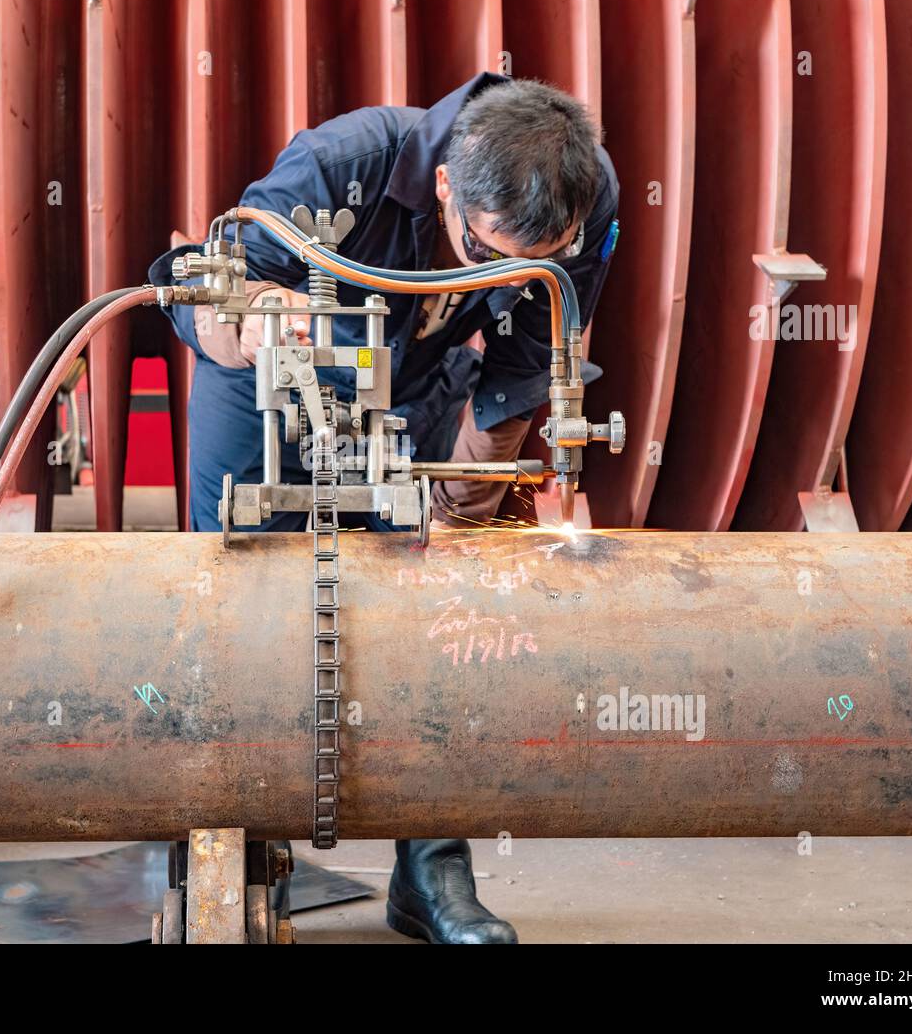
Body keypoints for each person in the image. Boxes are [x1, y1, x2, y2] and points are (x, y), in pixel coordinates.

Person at [151, 73, 619, 944]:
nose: (513, 272)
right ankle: (238, 843)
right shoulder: (340, 165)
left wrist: (469, 497)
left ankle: (432, 864)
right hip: (268, 378)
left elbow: (525, 362)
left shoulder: (581, 194)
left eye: (537, 255)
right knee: (243, 584)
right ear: (445, 186)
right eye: (492, 252)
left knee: (428, 597)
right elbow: (205, 296)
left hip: (414, 370)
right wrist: (254, 319)